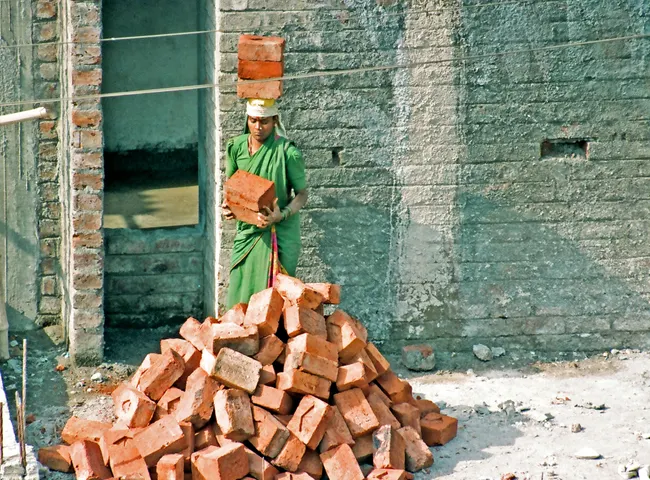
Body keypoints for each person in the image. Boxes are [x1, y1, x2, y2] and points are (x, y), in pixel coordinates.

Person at [222, 98, 308, 309]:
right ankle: (240, 337)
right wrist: (230, 207)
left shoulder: (288, 153)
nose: (258, 127)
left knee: (275, 300)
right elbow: (234, 188)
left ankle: (274, 340)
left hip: (279, 232)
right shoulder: (236, 148)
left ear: (275, 120)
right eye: (253, 121)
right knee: (240, 292)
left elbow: (302, 194)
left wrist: (282, 215)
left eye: (264, 122)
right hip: (248, 232)